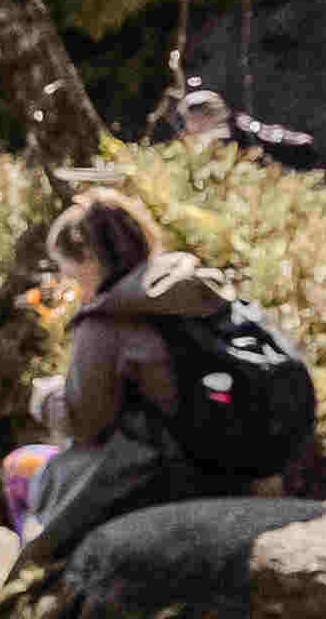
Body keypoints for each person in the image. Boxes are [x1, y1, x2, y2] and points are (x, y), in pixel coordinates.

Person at [17, 187, 286, 565]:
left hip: (170, 476)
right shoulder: (191, 284)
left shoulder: (108, 320)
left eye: (68, 270)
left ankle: (32, 591)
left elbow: (85, 423)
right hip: (240, 463)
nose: (69, 284)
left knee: (23, 470)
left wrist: (45, 400)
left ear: (90, 261)